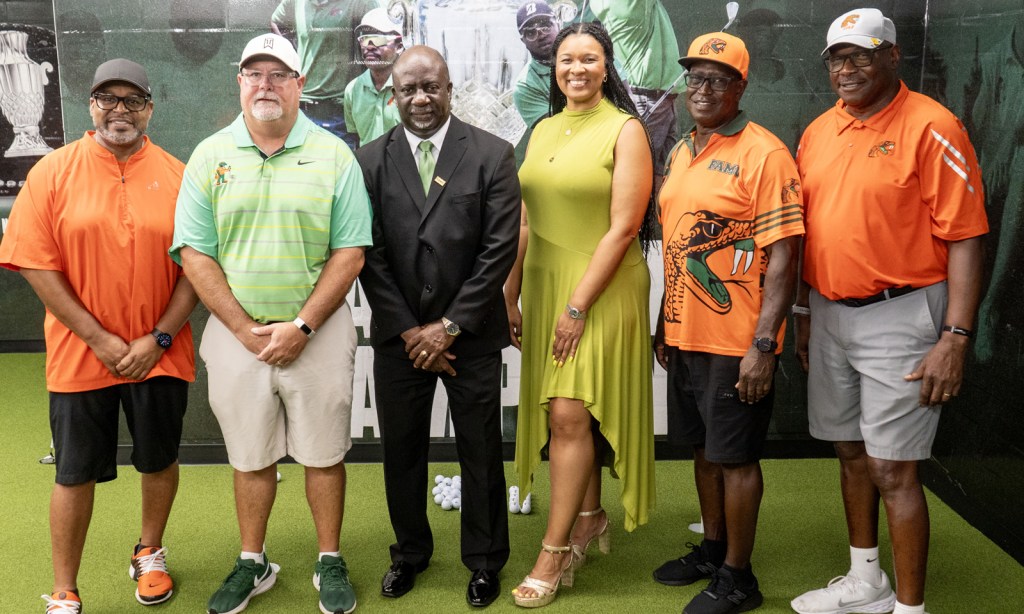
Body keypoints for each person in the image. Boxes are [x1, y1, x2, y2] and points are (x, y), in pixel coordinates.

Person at [791, 9, 987, 614]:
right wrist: (803, 314)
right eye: (837, 58)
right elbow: (809, 233)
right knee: (849, 450)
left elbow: (966, 237)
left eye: (862, 55)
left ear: (893, 56)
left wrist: (955, 335)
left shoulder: (934, 125)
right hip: (828, 315)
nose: (847, 69)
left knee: (892, 467)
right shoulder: (819, 130)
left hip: (901, 315)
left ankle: (910, 608)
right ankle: (866, 580)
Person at [170, 33, 372, 614]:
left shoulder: (334, 156)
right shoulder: (211, 155)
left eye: (278, 74)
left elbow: (350, 252)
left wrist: (302, 326)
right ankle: (252, 562)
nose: (266, 84)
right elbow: (195, 254)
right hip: (239, 335)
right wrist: (240, 328)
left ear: (300, 84)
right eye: (254, 74)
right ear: (239, 82)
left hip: (319, 331)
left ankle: (329, 559)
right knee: (250, 456)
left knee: (323, 454)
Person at [0, 59, 197, 614]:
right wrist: (102, 340)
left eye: (132, 100)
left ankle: (150, 552)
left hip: (158, 353)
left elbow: (196, 268)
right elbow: (36, 265)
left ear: (149, 108)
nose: (120, 110)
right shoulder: (53, 171)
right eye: (108, 99)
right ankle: (66, 586)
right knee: (73, 470)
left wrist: (156, 338)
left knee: (158, 458)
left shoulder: (179, 175)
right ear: (90, 105)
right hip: (79, 355)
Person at [355, 45, 520, 609]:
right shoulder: (370, 160)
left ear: (450, 88)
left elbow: (498, 251)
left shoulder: (493, 155)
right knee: (401, 452)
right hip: (400, 340)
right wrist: (409, 332)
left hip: (468, 336)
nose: (421, 99)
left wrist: (447, 327)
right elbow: (368, 254)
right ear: (393, 94)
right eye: (409, 90)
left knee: (480, 451)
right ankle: (410, 554)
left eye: (432, 87)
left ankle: (484, 560)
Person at [651, 31, 803, 614]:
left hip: (738, 340)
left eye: (717, 79)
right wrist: (667, 320)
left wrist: (764, 345)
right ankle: (714, 550)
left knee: (736, 457)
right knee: (704, 449)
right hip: (686, 333)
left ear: (741, 86)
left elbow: (786, 255)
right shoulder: (684, 148)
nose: (702, 88)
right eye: (694, 77)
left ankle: (739, 577)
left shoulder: (764, 153)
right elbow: (677, 241)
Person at [506, 22, 656, 608]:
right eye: (567, 59)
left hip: (601, 287)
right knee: (571, 414)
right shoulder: (541, 128)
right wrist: (510, 291)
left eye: (588, 59)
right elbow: (525, 219)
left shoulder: (626, 131)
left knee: (570, 413)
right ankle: (589, 515)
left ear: (605, 65)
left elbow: (623, 228)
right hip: (545, 284)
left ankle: (553, 549)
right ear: (555, 66)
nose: (576, 69)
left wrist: (576, 305)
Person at [588, 0, 683, 179]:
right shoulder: (627, 4)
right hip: (648, 100)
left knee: (662, 178)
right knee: (638, 179)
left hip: (658, 99)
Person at [271, 0, 385, 148]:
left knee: (341, 168)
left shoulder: (360, 3)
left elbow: (381, 37)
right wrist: (289, 55)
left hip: (342, 110)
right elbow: (276, 21)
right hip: (302, 107)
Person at [343, 7, 404, 147]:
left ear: (399, 46)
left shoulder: (410, 87)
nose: (369, 47)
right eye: (364, 39)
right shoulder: (352, 90)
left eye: (378, 39)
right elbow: (356, 138)